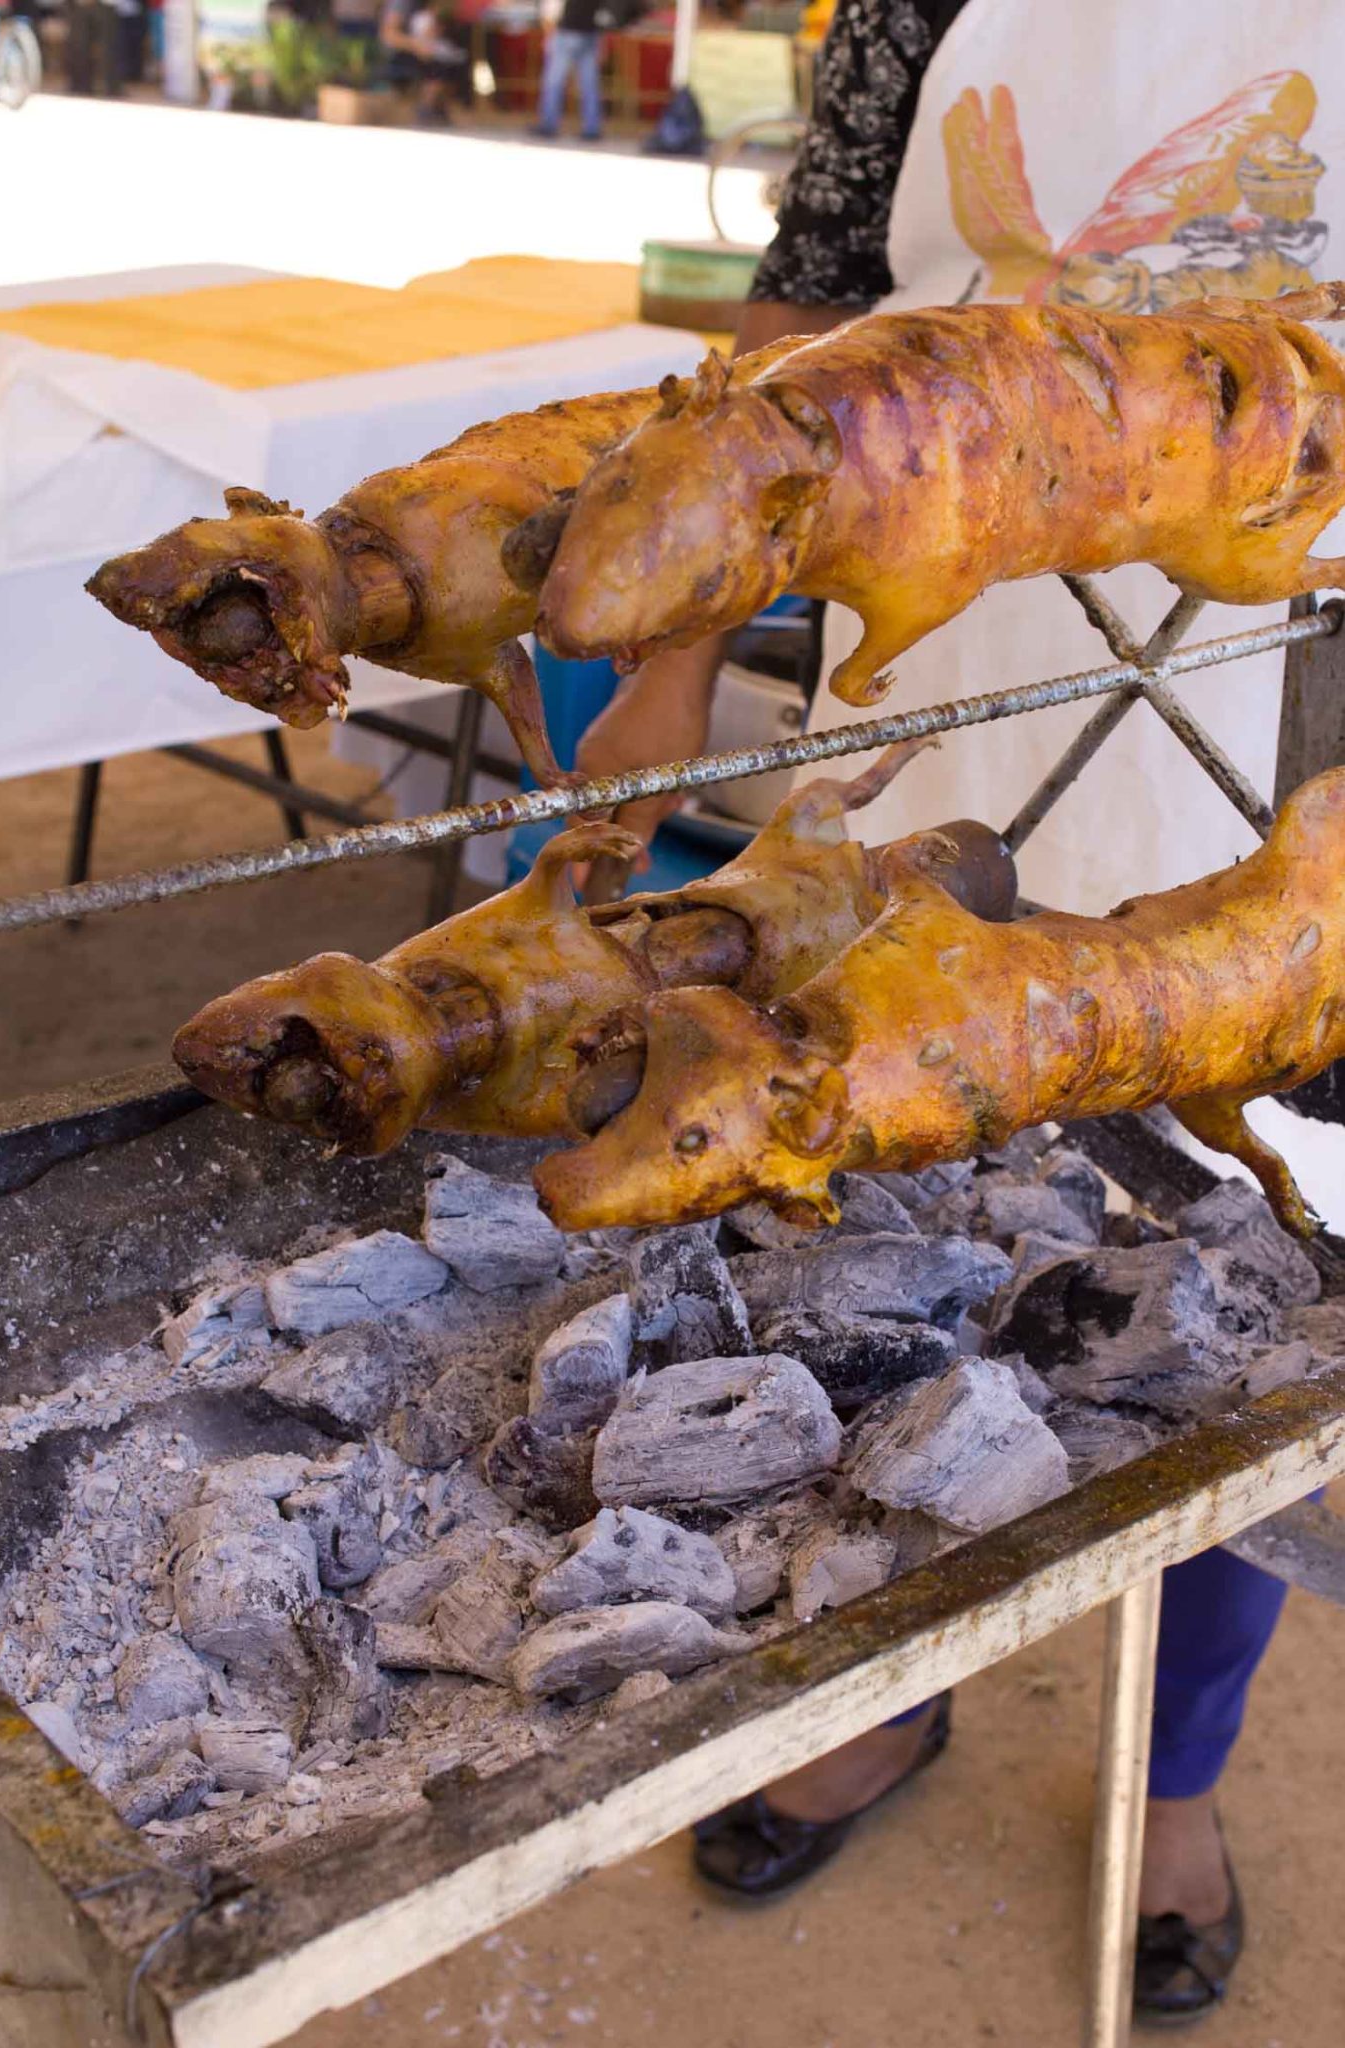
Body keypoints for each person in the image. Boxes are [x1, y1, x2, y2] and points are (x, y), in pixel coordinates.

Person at [573, 0, 1345, 2023]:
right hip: (935, 669)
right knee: (862, 1197)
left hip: (1283, 710)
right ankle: (881, 1684)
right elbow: (797, 330)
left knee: (1228, 1293)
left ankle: (1171, 1777)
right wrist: (669, 652)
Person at [530, 0, 606, 142]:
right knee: (589, 85)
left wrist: (549, 37)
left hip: (566, 33)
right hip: (590, 35)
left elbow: (551, 12)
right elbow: (603, 14)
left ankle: (548, 124)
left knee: (554, 83)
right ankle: (592, 128)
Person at [380, 0, 467, 123]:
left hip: (424, 46)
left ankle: (439, 105)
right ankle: (426, 107)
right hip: (401, 51)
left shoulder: (427, 4)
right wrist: (416, 46)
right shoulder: (401, 3)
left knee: (455, 59)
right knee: (437, 63)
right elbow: (389, 35)